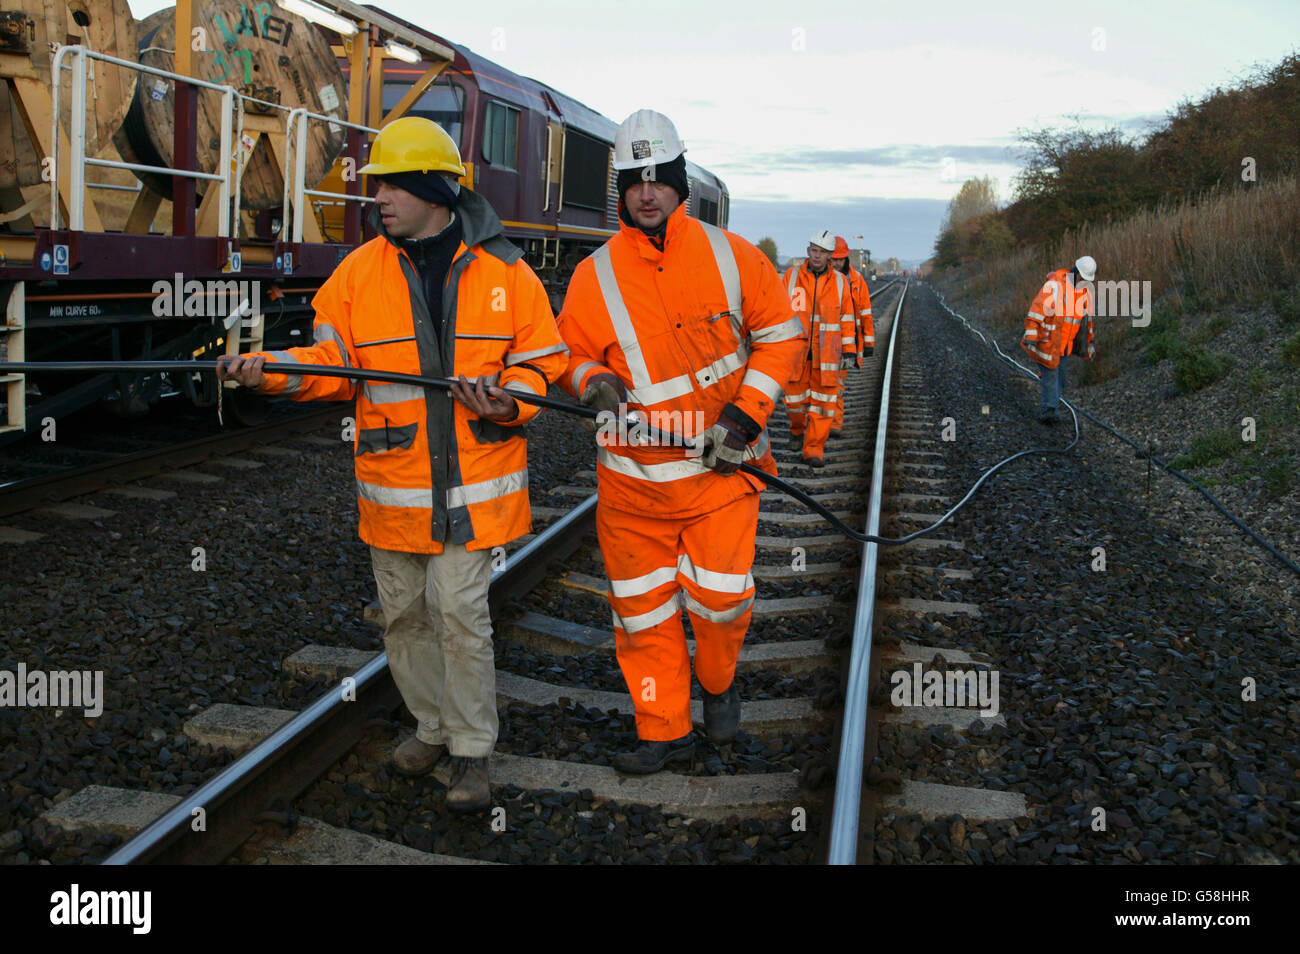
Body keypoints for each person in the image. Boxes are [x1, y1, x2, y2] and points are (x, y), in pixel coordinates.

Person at [215, 116, 568, 811]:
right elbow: (331, 367)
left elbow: (540, 362)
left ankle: (471, 752)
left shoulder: (507, 272)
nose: (379, 198)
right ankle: (431, 726)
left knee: (461, 615)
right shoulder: (355, 276)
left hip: (473, 486)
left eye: (395, 186)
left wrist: (506, 402)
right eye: (378, 185)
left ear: (436, 189)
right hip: (394, 487)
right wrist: (267, 373)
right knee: (404, 619)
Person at [556, 109, 804, 774]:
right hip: (632, 488)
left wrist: (745, 418)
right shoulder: (593, 277)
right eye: (633, 180)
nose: (645, 192)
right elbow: (569, 355)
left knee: (720, 604)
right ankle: (661, 728)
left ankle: (719, 685)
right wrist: (592, 379)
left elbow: (781, 335)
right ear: (621, 189)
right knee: (642, 617)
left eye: (658, 178)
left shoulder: (732, 257)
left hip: (721, 477)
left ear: (679, 182)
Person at [781, 232, 855, 466]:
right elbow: (777, 311)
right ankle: (796, 430)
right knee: (794, 402)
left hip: (828, 353)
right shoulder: (791, 278)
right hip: (796, 351)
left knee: (824, 404)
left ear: (830, 257)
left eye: (822, 252)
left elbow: (847, 319)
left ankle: (814, 449)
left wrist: (849, 349)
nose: (817, 256)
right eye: (814, 250)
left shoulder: (841, 283)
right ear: (808, 251)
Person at [1021, 255, 1096, 424]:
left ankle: (1052, 406)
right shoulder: (1055, 286)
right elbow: (1036, 311)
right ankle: (1049, 410)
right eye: (1082, 277)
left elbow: (1086, 323)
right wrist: (1031, 335)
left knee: (1060, 379)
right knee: (1051, 377)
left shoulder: (1085, 294)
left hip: (1065, 347)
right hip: (1048, 343)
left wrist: (1090, 342)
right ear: (1075, 272)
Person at [829, 235, 874, 436]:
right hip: (822, 340)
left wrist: (869, 341)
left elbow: (865, 311)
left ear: (846, 258)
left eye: (840, 259)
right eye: (834, 259)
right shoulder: (820, 278)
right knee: (820, 384)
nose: (837, 263)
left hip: (846, 341)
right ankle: (818, 424)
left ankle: (835, 425)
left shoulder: (856, 280)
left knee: (837, 385)